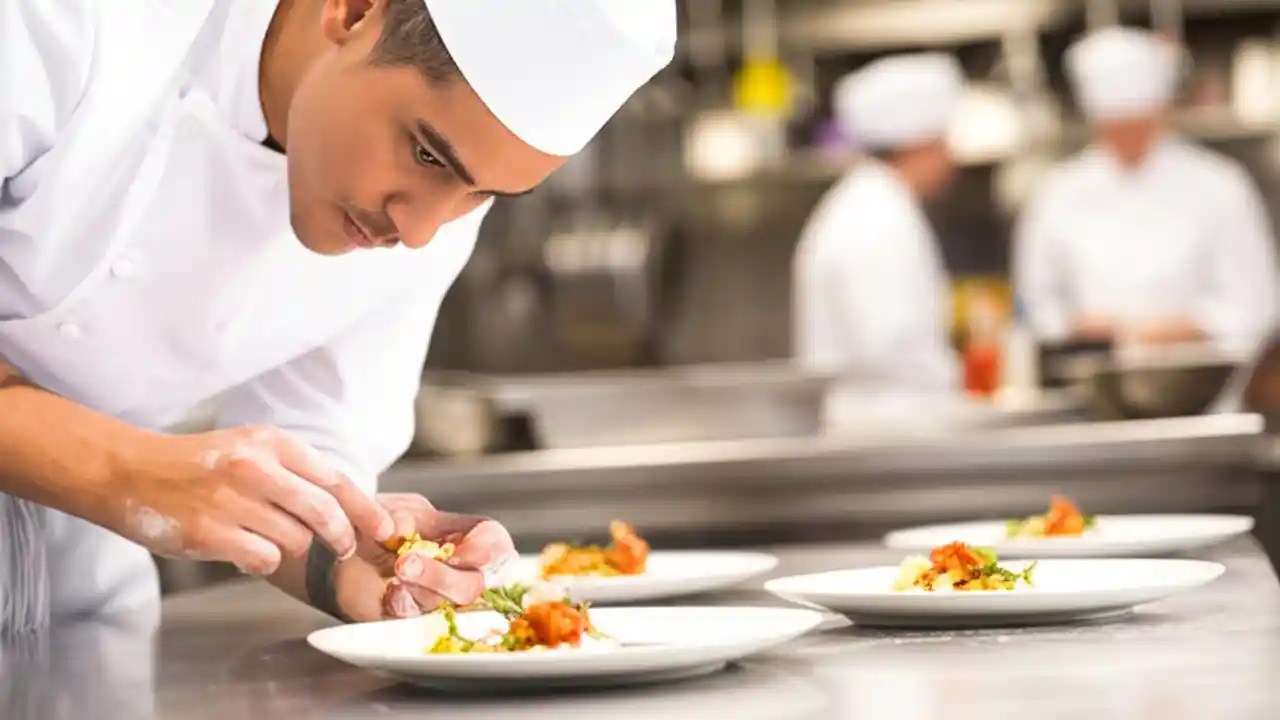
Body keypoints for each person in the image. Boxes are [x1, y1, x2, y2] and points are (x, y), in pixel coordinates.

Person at [0, 0, 675, 632]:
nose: (420, 232)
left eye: (484, 194)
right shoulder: (72, 21)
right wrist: (131, 472)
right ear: (351, 11)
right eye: (428, 153)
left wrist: (362, 560)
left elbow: (315, 446)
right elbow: (148, 476)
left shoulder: (425, 223)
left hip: (73, 622)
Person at [1015, 27, 1279, 353]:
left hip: (1200, 384)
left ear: (1161, 112)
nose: (1126, 137)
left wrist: (1188, 327)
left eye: (1137, 123)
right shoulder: (1058, 192)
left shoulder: (1220, 185)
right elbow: (1033, 306)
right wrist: (1076, 326)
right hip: (1090, 381)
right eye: (1114, 126)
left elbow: (1256, 305)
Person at [793, 53, 963, 392]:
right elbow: (889, 342)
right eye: (944, 141)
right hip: (885, 427)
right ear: (921, 144)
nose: (951, 156)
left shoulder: (874, 203)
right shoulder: (876, 220)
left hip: (891, 424)